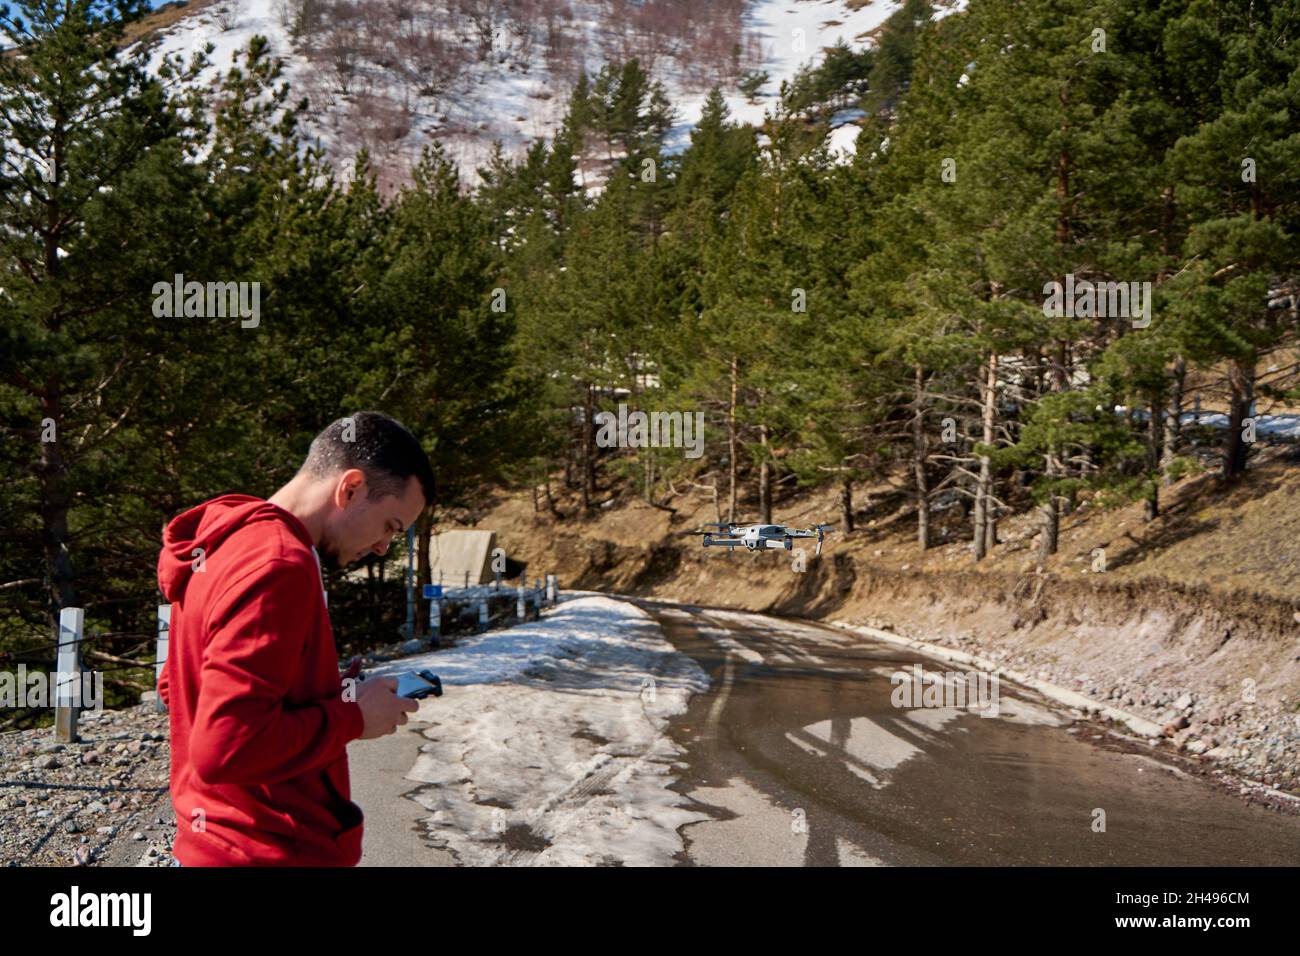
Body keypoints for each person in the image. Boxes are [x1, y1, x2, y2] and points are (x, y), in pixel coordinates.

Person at [156, 411, 432, 866]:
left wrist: (315, 684)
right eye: (391, 526)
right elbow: (226, 747)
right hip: (266, 849)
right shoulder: (279, 564)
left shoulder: (228, 540)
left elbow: (179, 685)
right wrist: (352, 716)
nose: (384, 547)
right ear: (351, 488)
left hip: (215, 840)